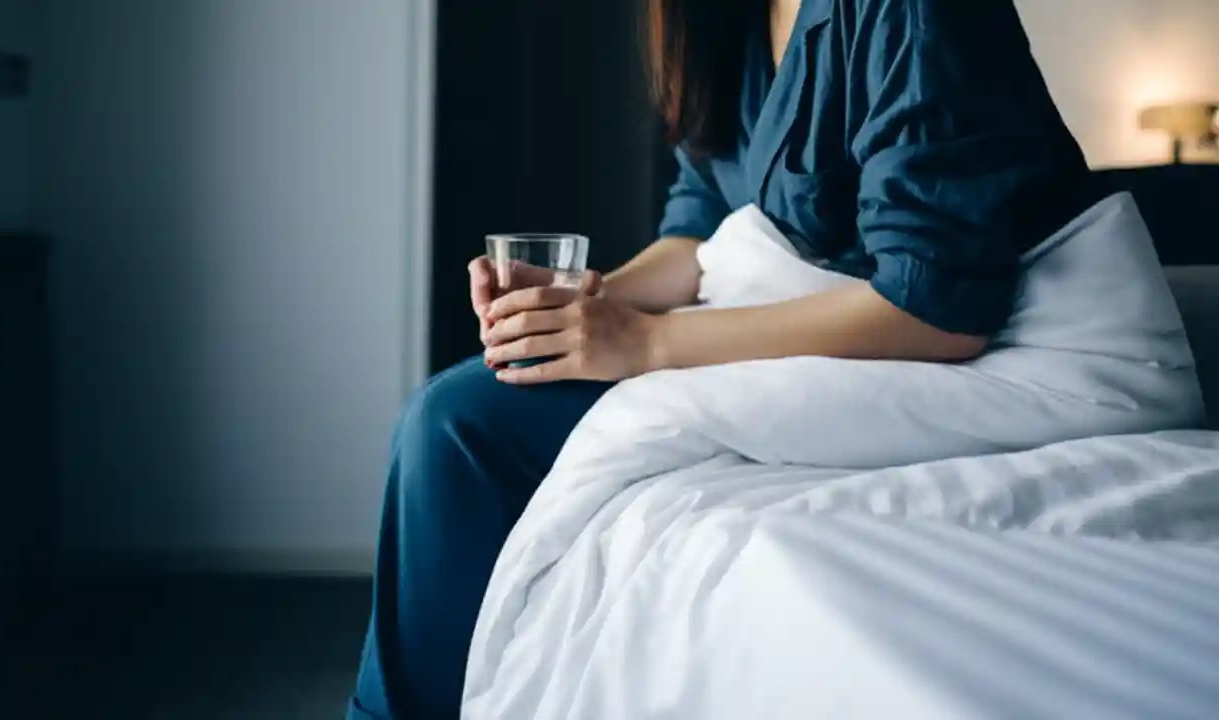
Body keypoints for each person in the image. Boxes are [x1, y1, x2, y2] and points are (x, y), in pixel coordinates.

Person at [348, 0, 1103, 717]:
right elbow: (700, 228)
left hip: (993, 354)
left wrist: (643, 344)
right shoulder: (718, 18)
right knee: (461, 410)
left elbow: (939, 309)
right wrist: (584, 300)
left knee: (459, 423)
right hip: (829, 328)